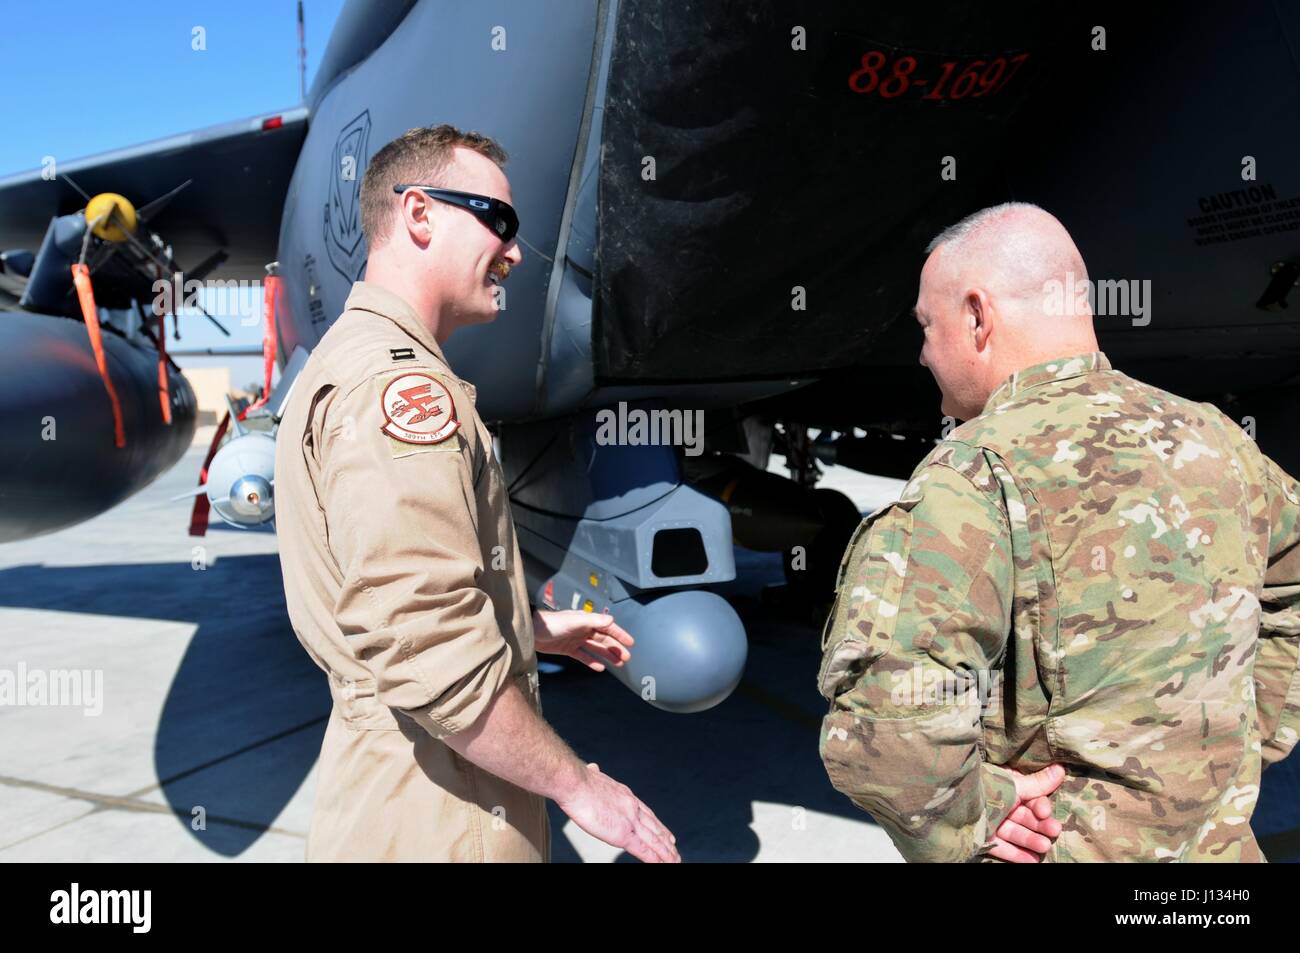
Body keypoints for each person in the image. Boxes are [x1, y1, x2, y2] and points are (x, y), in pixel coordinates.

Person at [817, 202, 1300, 862]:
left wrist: (976, 814)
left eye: (928, 326)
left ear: (978, 317)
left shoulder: (973, 475)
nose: (924, 355)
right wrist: (1247, 735)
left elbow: (888, 738)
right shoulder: (1216, 437)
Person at [275, 124, 678, 862]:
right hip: (444, 811)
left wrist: (531, 629)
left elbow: (399, 597)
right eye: (498, 220)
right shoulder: (399, 387)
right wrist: (579, 785)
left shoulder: (353, 359)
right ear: (420, 215)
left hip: (411, 794)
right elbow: (425, 642)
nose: (516, 252)